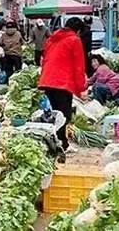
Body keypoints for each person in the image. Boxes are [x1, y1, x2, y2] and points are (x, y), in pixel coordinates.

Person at [38, 17, 86, 150]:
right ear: (78, 30)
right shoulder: (74, 40)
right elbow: (79, 66)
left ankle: (56, 141)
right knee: (63, 115)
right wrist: (81, 88)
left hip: (48, 80)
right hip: (62, 82)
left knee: (56, 113)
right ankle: (61, 143)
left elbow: (45, 60)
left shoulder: (52, 39)